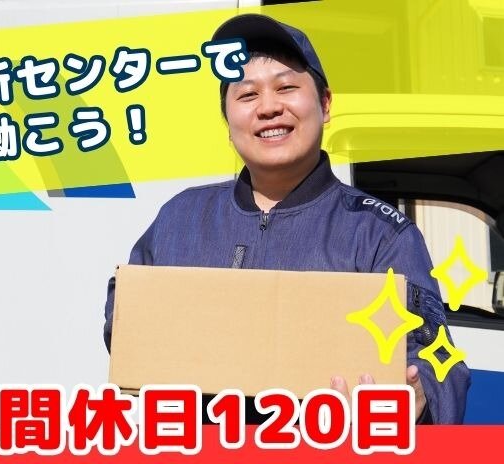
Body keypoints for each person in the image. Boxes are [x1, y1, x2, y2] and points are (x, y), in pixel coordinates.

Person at [103, 13, 470, 424]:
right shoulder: (181, 218)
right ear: (228, 121)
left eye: (286, 87)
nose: (269, 108)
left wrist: (421, 398)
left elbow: (438, 361)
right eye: (247, 95)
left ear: (325, 104)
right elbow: (127, 317)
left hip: (327, 445)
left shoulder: (380, 234)